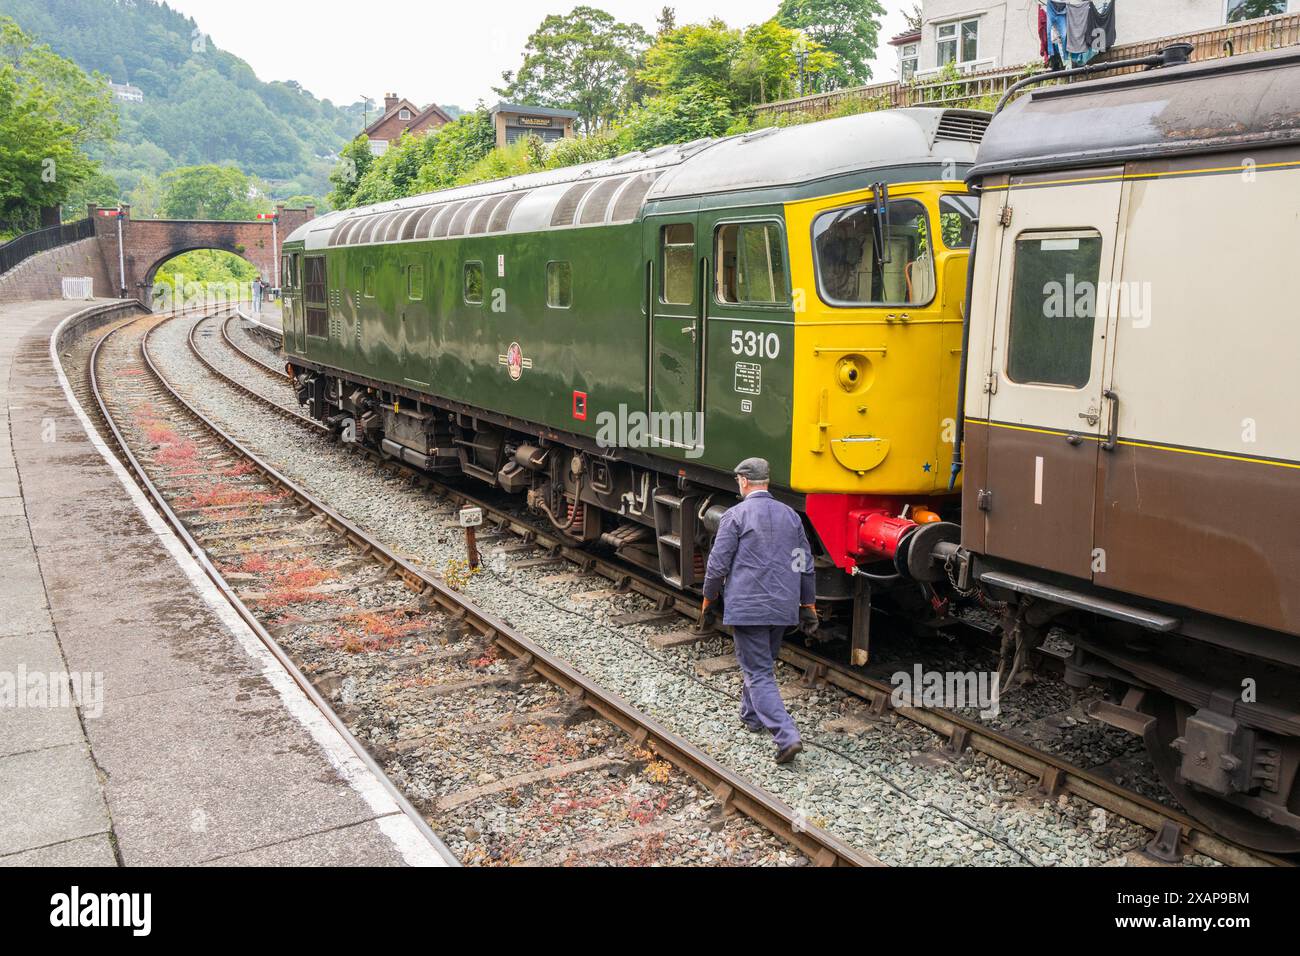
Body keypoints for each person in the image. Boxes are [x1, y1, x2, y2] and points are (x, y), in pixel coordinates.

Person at [701, 457, 819, 764]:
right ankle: (750, 716)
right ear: (766, 482)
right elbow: (804, 564)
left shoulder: (735, 516)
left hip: (748, 607)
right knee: (760, 664)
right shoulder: (791, 516)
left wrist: (708, 600)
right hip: (782, 607)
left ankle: (786, 736)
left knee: (758, 671)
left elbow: (717, 564)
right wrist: (808, 605)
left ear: (742, 481)